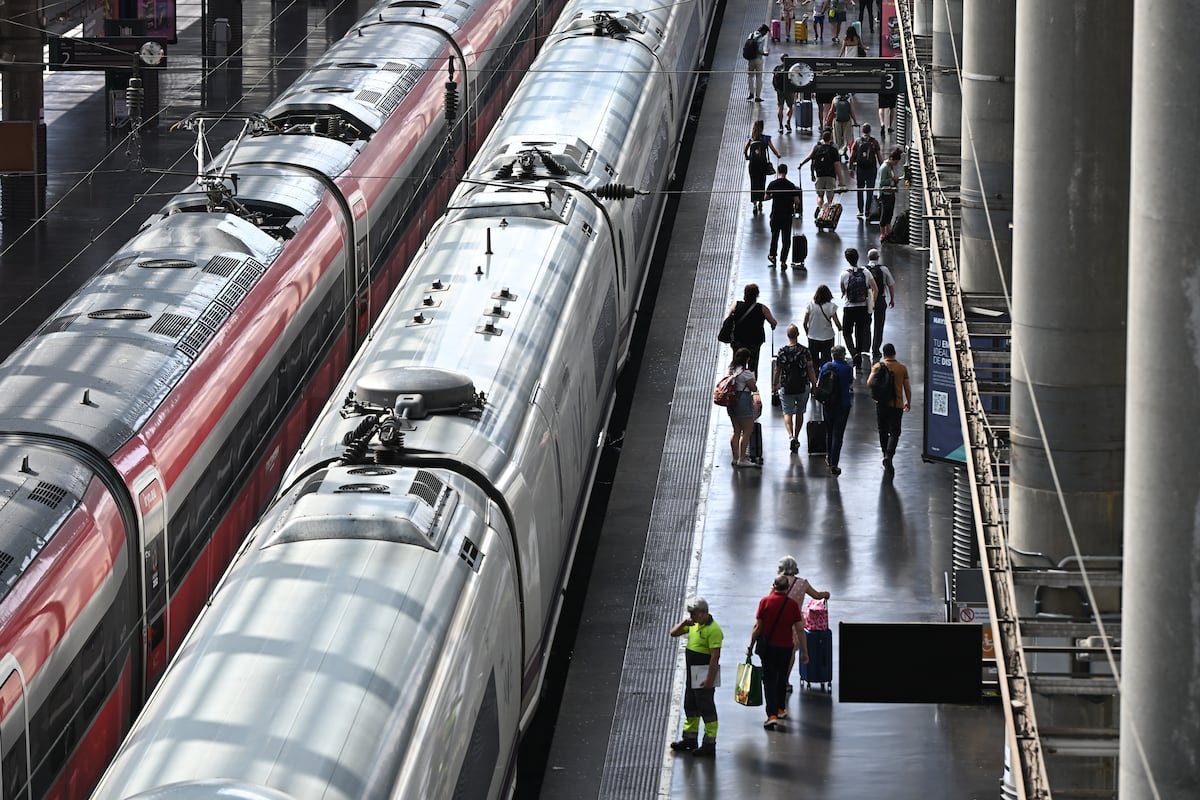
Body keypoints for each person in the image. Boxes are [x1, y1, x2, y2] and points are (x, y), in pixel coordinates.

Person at [747, 575, 806, 730]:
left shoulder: (765, 602)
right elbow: (800, 630)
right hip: (786, 648)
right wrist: (805, 652)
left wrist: (750, 646)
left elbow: (758, 627)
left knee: (769, 680)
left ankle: (771, 715)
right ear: (787, 588)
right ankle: (781, 709)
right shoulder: (792, 605)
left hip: (769, 649)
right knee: (781, 679)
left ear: (773, 585)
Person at [669, 596, 723, 757]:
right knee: (690, 706)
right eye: (690, 614)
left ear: (704, 613)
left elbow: (715, 657)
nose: (692, 617)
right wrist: (685, 623)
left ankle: (709, 744)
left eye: (694, 614)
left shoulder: (714, 630)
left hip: (703, 675)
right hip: (692, 675)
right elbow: (673, 633)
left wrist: (709, 679)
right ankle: (690, 739)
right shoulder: (694, 625)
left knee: (707, 709)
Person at [776, 555, 831, 688]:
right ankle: (785, 681)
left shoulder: (777, 582)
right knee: (790, 653)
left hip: (778, 620)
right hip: (795, 622)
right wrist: (825, 594)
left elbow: (770, 598)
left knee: (777, 650)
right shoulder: (803, 583)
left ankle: (776, 679)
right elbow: (817, 595)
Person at [772, 324, 817, 451]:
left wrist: (775, 385)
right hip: (803, 385)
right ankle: (797, 437)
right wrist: (814, 385)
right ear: (798, 335)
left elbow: (777, 370)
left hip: (786, 386)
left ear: (788, 335)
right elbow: (810, 369)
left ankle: (790, 436)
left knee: (787, 412)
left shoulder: (782, 351)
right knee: (800, 412)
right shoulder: (805, 351)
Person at [868, 342, 912, 470]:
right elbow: (907, 388)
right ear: (894, 353)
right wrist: (908, 401)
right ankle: (889, 455)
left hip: (881, 404)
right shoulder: (902, 368)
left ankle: (884, 453)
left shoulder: (877, 366)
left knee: (882, 430)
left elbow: (869, 382)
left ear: (883, 354)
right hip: (897, 405)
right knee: (895, 431)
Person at [817, 345, 855, 475]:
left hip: (828, 403)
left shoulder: (826, 367)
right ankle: (834, 463)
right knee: (838, 434)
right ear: (843, 355)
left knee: (829, 430)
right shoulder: (847, 369)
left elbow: (819, 382)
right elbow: (850, 382)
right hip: (843, 404)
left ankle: (828, 456)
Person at [838, 247, 878, 370]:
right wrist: (872, 303)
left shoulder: (844, 274)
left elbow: (843, 291)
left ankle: (853, 352)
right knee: (860, 333)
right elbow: (875, 289)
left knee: (846, 332)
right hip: (863, 307)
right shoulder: (866, 272)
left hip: (849, 308)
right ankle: (859, 356)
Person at [727, 282, 777, 375]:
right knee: (753, 364)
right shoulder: (762, 308)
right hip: (754, 342)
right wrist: (772, 325)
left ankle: (735, 380)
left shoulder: (736, 305)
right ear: (756, 295)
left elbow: (729, 317)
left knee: (737, 362)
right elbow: (773, 322)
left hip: (738, 340)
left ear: (745, 294)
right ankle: (751, 383)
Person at [725, 347, 761, 468]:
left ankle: (735, 458)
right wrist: (753, 379)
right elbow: (753, 388)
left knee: (736, 430)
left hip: (731, 401)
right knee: (747, 430)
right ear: (747, 359)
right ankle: (742, 458)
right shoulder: (746, 373)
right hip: (743, 401)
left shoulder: (730, 370)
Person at [798, 129, 845, 220]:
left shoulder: (817, 148)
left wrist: (801, 164)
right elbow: (837, 166)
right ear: (831, 138)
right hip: (830, 176)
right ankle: (827, 215)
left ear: (822, 138)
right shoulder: (833, 150)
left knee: (820, 196)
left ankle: (820, 210)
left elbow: (809, 158)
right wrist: (841, 180)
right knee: (830, 198)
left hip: (819, 175)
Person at [765, 164, 801, 268]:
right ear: (786, 172)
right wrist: (794, 205)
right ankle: (783, 261)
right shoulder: (791, 185)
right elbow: (797, 201)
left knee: (774, 236)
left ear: (778, 171)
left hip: (775, 215)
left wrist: (774, 196)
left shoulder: (773, 184)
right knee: (786, 240)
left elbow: (766, 197)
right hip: (787, 216)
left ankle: (772, 256)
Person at [744, 118, 781, 216]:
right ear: (762, 128)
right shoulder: (765, 138)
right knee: (761, 182)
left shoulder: (751, 138)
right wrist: (778, 155)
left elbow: (745, 149)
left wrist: (747, 157)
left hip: (753, 165)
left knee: (754, 183)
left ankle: (754, 204)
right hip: (762, 164)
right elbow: (773, 149)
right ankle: (760, 201)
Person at [864, 248, 896, 359]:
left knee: (866, 324)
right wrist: (892, 299)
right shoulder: (884, 269)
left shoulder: (864, 270)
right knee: (879, 325)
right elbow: (891, 285)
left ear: (868, 257)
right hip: (881, 300)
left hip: (866, 300)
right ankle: (875, 349)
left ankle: (865, 347)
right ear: (878, 258)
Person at [803, 284, 841, 369]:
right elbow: (836, 322)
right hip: (827, 337)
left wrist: (808, 332)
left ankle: (815, 379)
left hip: (813, 337)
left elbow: (805, 322)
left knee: (813, 361)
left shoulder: (810, 305)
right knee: (827, 360)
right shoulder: (831, 306)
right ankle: (825, 378)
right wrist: (840, 327)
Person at [849, 122, 882, 220]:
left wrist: (851, 168)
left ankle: (860, 210)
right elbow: (879, 157)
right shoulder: (874, 142)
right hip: (871, 169)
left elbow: (852, 156)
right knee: (869, 190)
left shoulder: (858, 141)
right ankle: (867, 212)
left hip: (861, 169)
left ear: (862, 131)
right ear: (870, 131)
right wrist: (883, 167)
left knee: (860, 189)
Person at [876, 147, 903, 241]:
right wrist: (893, 180)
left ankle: (888, 233)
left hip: (890, 193)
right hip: (885, 194)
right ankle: (883, 234)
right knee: (885, 214)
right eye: (896, 162)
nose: (896, 164)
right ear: (892, 159)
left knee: (889, 214)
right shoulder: (884, 168)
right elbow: (882, 182)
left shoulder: (889, 167)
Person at [746, 24, 770, 102]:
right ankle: (758, 96)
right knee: (759, 77)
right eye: (766, 32)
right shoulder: (762, 38)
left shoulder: (751, 35)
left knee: (750, 76)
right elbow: (759, 50)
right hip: (758, 59)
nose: (766, 34)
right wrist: (764, 53)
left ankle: (751, 93)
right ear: (763, 31)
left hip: (750, 59)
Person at [772, 53, 795, 133]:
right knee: (790, 107)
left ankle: (780, 125)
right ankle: (788, 121)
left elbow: (774, 79)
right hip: (789, 90)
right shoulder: (791, 68)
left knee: (780, 107)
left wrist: (776, 88)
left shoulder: (777, 68)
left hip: (780, 90)